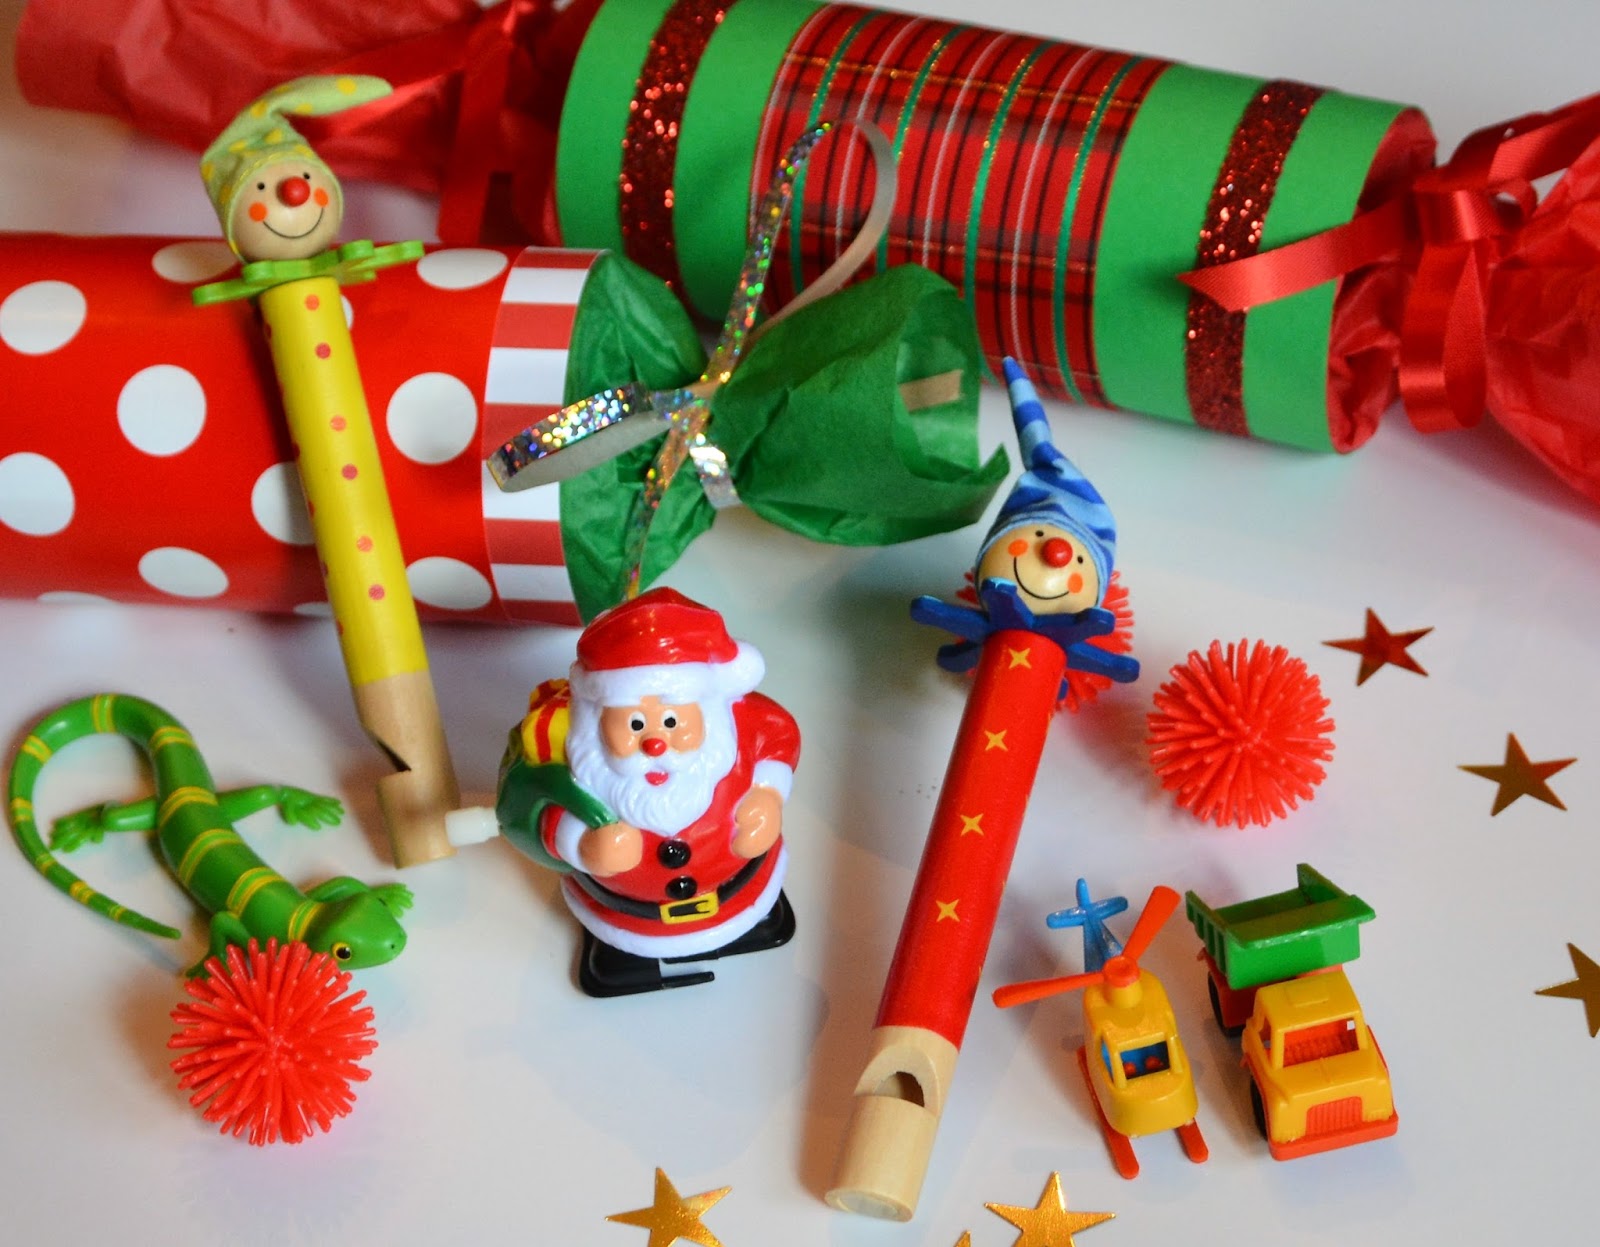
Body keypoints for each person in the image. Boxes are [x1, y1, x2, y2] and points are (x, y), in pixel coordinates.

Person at [494, 587, 801, 997]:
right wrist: (581, 843)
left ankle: (750, 925)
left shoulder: (736, 729)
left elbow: (779, 735)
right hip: (627, 914)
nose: (655, 744)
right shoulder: (573, 756)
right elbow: (529, 805)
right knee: (624, 944)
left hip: (739, 890)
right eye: (635, 724)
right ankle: (625, 956)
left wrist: (767, 793)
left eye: (672, 721)